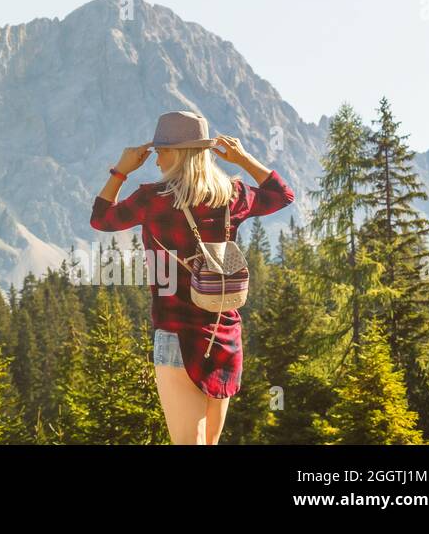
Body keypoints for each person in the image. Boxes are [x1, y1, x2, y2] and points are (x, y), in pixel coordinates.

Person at [90, 110, 295, 444]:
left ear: (176, 153)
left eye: (160, 152)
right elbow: (282, 195)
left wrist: (120, 171)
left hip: (177, 334)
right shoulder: (233, 195)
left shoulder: (153, 199)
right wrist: (244, 159)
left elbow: (101, 219)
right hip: (224, 333)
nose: (156, 162)